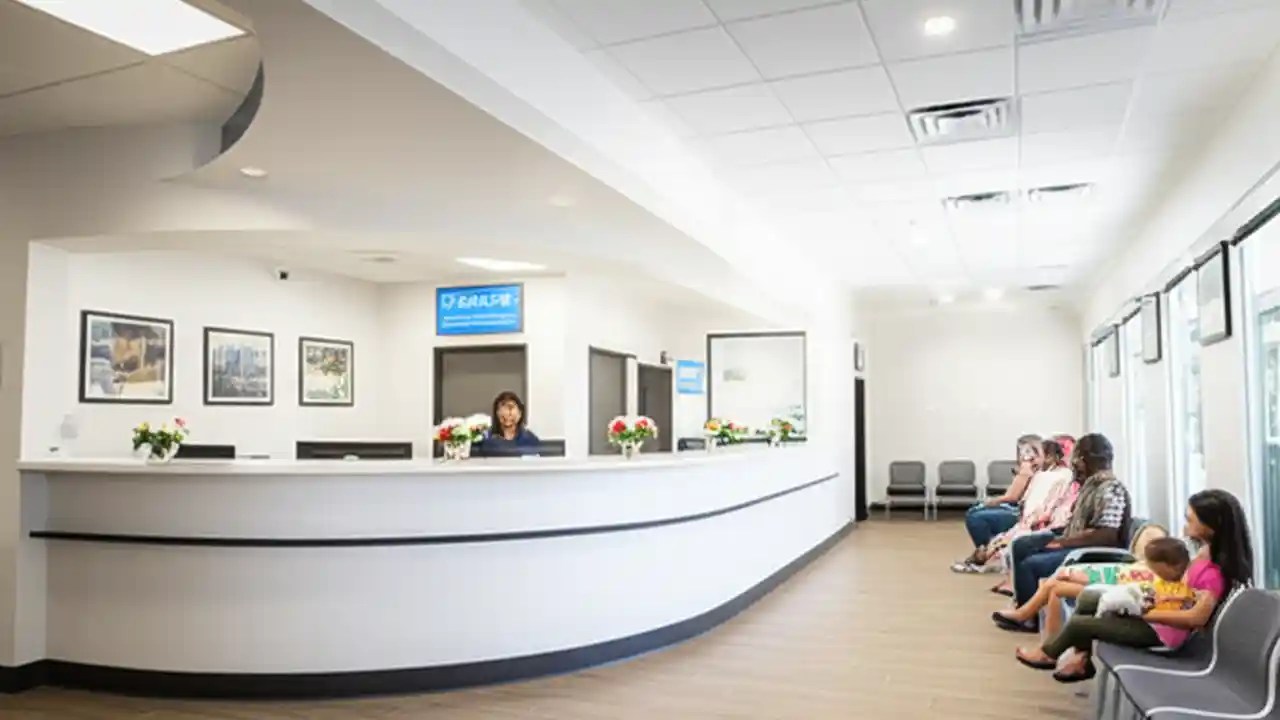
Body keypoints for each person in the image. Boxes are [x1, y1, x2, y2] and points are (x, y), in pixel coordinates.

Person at [1011, 489, 1254, 683]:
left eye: (1191, 519)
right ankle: (1081, 660)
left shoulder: (1214, 573)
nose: (1186, 523)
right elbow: (1182, 592)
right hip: (1159, 614)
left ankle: (1048, 654)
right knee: (1087, 599)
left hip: (1163, 633)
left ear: (1212, 525)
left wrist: (1145, 612)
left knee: (1080, 623)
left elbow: (1196, 618)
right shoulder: (1203, 553)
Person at [1004, 433, 1131, 617]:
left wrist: (1062, 543)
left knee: (1032, 564)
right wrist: (1057, 536)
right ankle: (1022, 605)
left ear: (1088, 459)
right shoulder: (1090, 485)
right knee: (1021, 544)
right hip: (1074, 541)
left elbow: (1106, 535)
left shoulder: (1110, 489)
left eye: (1077, 457)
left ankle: (1028, 617)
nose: (1073, 464)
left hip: (1091, 552)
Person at [994, 537, 1194, 641]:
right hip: (1116, 587)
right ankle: (1028, 620)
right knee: (1051, 582)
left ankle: (1040, 637)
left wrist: (1085, 579)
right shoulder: (1155, 572)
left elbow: (1125, 592)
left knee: (1055, 586)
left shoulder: (1162, 581)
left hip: (1116, 594)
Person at [952, 438, 1074, 574]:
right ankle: (986, 553)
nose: (1030, 457)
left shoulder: (1053, 476)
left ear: (1051, 457)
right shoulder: (1041, 473)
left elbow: (1019, 499)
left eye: (1036, 454)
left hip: (1032, 518)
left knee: (979, 517)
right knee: (979, 515)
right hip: (1026, 515)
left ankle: (987, 556)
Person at [961, 434, 1043, 555]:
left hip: (1022, 513)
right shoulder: (1034, 468)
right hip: (1021, 508)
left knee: (975, 517)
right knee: (976, 509)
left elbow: (1012, 497)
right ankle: (988, 550)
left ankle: (986, 554)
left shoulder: (1028, 470)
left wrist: (992, 501)